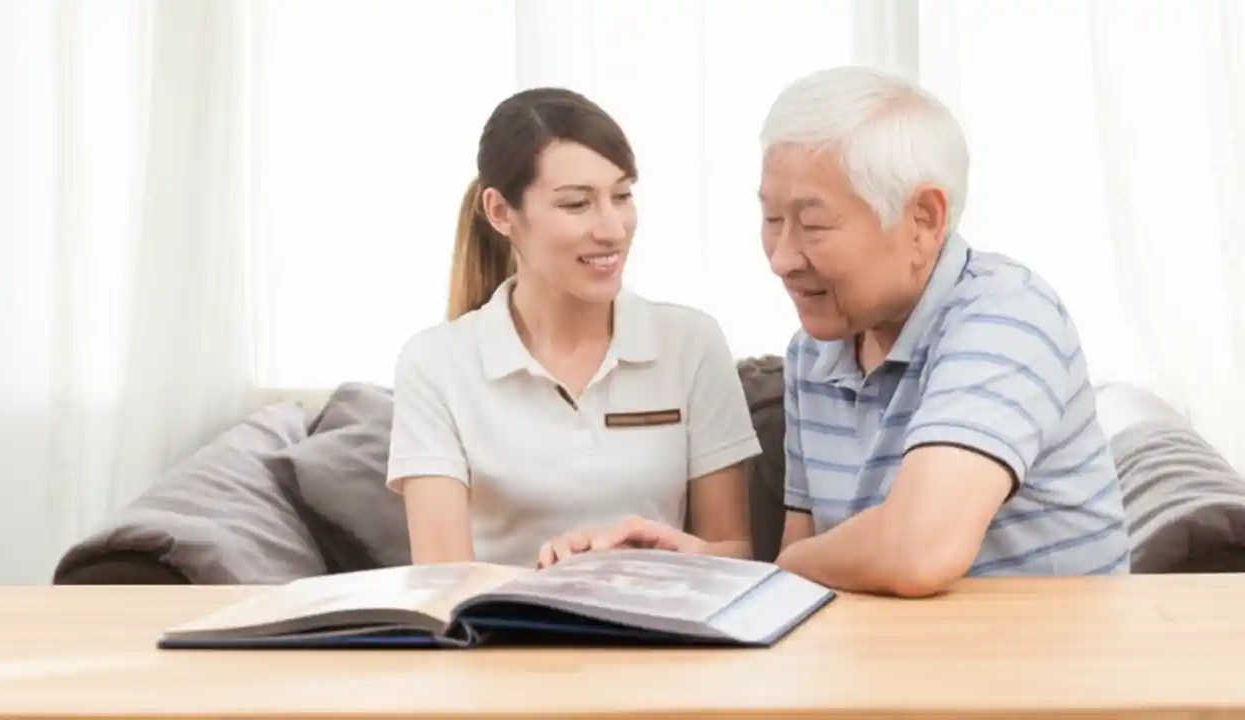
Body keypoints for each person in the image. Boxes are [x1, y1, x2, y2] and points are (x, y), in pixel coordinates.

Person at [602, 66, 1132, 596]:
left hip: (1037, 668)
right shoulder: (813, 353)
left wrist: (777, 572)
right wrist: (719, 577)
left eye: (813, 226)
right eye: (771, 219)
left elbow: (917, 552)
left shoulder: (1006, 315)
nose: (782, 259)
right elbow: (806, 561)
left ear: (923, 219)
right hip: (886, 663)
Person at [386, 87, 762, 570]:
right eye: (576, 204)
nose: (613, 229)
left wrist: (655, 548)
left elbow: (735, 554)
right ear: (500, 211)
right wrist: (551, 588)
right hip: (505, 639)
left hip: (664, 636)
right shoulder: (435, 363)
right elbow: (441, 579)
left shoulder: (692, 343)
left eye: (622, 196)